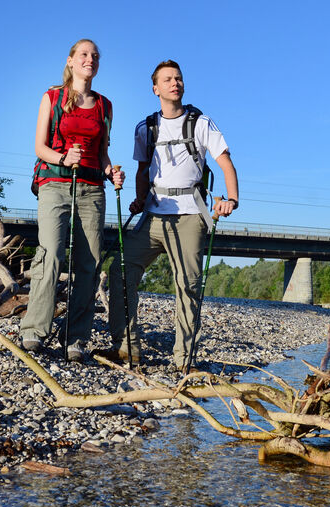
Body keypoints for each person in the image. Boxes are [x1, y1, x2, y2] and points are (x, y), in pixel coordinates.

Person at [105, 59, 240, 372]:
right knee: (120, 271)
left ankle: (184, 360)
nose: (174, 83)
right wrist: (139, 198)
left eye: (178, 78)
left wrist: (231, 199)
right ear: (156, 89)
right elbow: (142, 169)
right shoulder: (146, 127)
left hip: (192, 215)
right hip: (152, 215)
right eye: (167, 79)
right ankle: (126, 349)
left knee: (188, 285)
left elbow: (226, 163)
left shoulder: (201, 122)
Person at [20, 39, 125, 361]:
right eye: (84, 55)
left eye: (95, 56)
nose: (89, 60)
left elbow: (102, 153)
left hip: (92, 189)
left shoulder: (105, 106)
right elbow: (39, 147)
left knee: (88, 265)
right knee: (51, 254)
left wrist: (111, 171)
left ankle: (75, 338)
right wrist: (64, 158)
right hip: (55, 184)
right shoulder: (52, 97)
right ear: (70, 61)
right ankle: (34, 331)